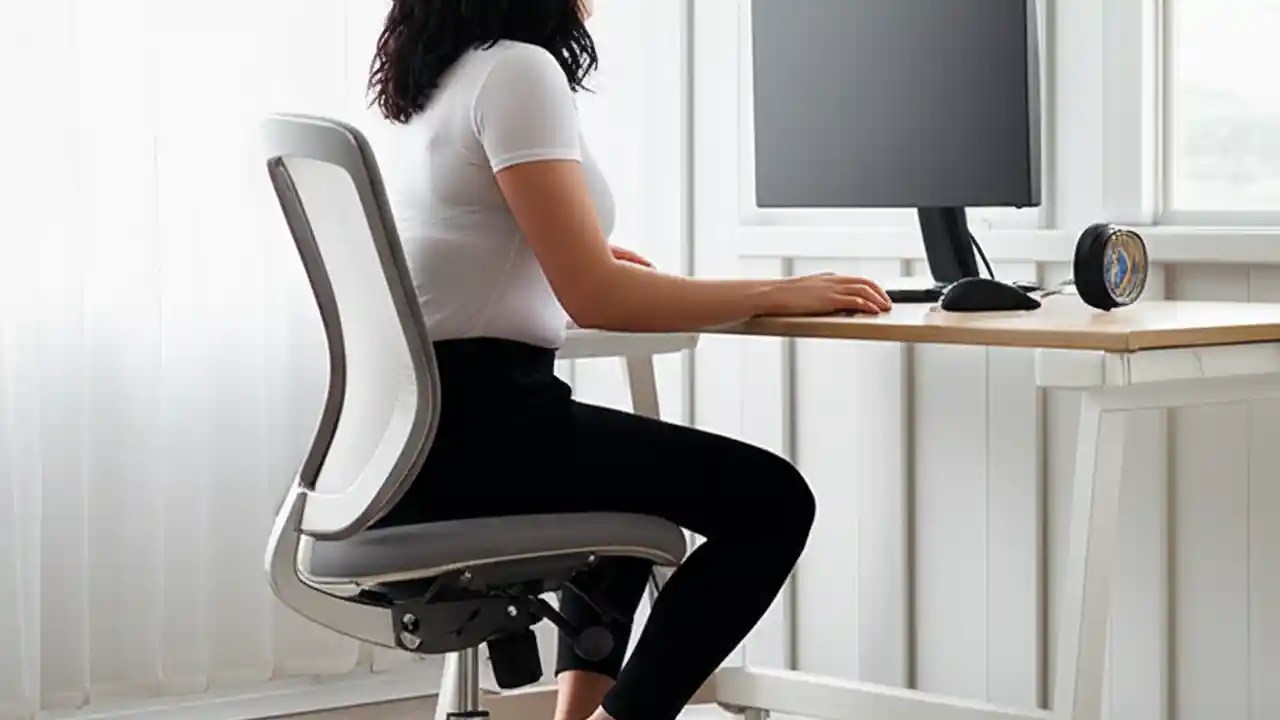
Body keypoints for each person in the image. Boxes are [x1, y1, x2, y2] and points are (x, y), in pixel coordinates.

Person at [367, 2, 892, 718]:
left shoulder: (447, 77)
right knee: (774, 503)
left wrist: (564, 251)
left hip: (410, 442)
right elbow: (598, 299)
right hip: (476, 435)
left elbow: (465, 237)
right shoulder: (518, 70)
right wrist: (781, 290)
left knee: (627, 496)